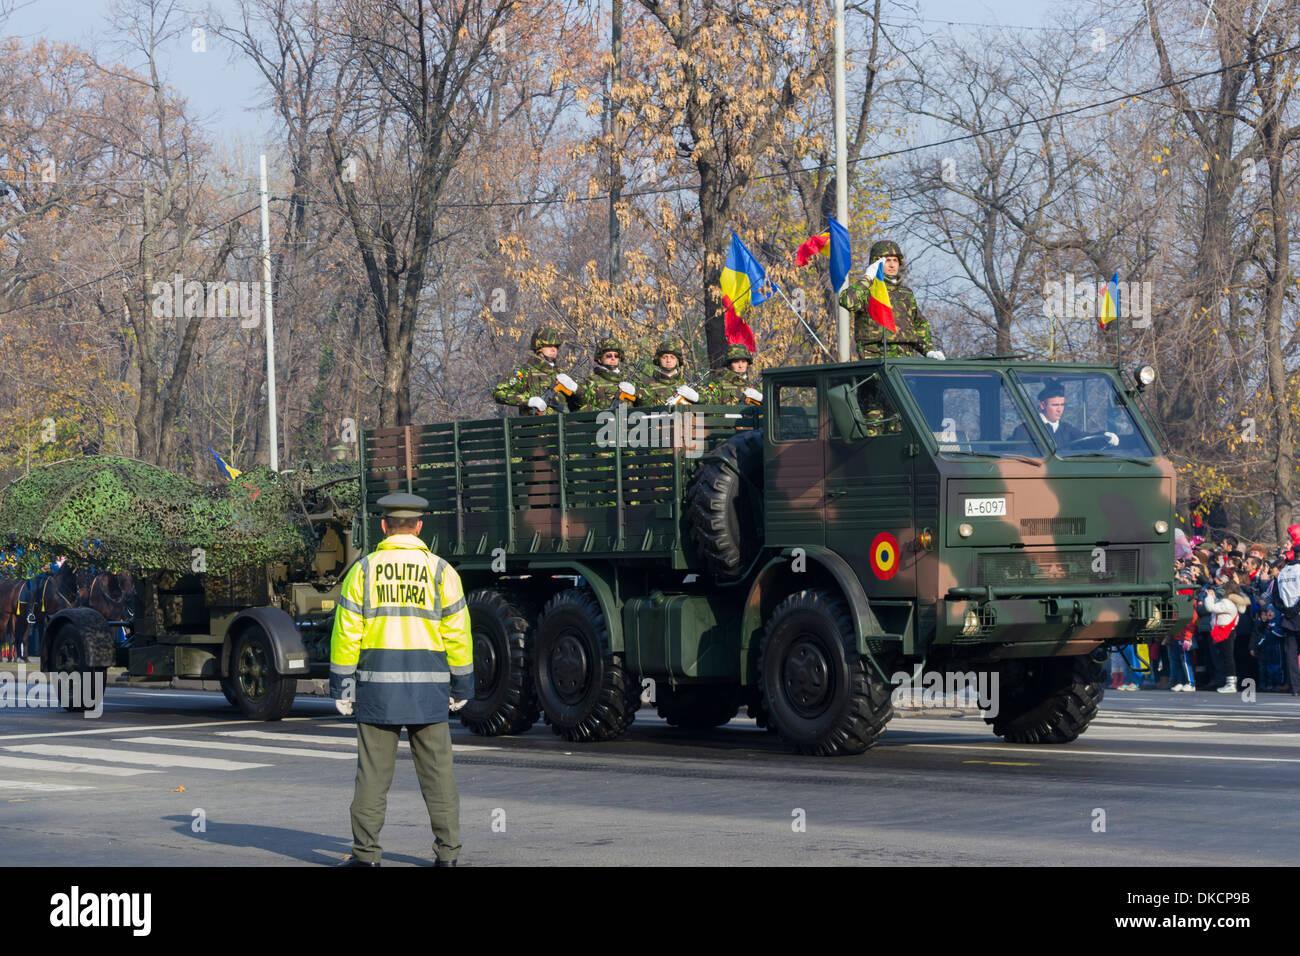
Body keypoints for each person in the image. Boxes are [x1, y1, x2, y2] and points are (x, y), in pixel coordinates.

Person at [330, 493, 473, 867]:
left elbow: (347, 633)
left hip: (378, 693)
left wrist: (343, 687)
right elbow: (457, 634)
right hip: (429, 693)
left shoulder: (362, 571)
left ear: (383, 527)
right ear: (419, 527)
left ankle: (366, 856)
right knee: (439, 776)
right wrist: (462, 687)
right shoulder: (442, 572)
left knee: (372, 777)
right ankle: (448, 855)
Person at [838, 239, 933, 358]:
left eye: (895, 260)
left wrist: (929, 351)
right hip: (875, 357)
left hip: (905, 358)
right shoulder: (867, 290)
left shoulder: (906, 294)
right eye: (887, 260)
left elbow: (919, 324)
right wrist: (867, 278)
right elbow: (847, 301)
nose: (892, 265)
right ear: (876, 263)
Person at [1010, 381, 1119, 449]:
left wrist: (1105, 436)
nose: (1059, 409)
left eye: (1062, 405)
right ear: (1043, 405)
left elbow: (1085, 438)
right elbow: (1022, 459)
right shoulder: (1026, 430)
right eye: (1055, 405)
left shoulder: (1065, 428)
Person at [493, 325, 569, 415]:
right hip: (535, 427)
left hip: (562, 427)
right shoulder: (524, 372)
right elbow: (499, 393)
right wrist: (529, 400)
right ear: (538, 347)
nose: (553, 349)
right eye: (549, 345)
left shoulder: (562, 374)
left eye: (556, 346)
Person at [573, 337, 629, 412]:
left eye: (616, 356)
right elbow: (582, 405)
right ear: (600, 359)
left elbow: (646, 404)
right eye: (608, 356)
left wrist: (638, 393)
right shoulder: (591, 382)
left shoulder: (629, 380)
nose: (613, 358)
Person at [635, 335, 689, 406]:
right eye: (664, 357)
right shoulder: (646, 385)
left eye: (672, 357)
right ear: (658, 360)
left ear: (677, 360)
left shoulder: (685, 385)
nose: (668, 361)